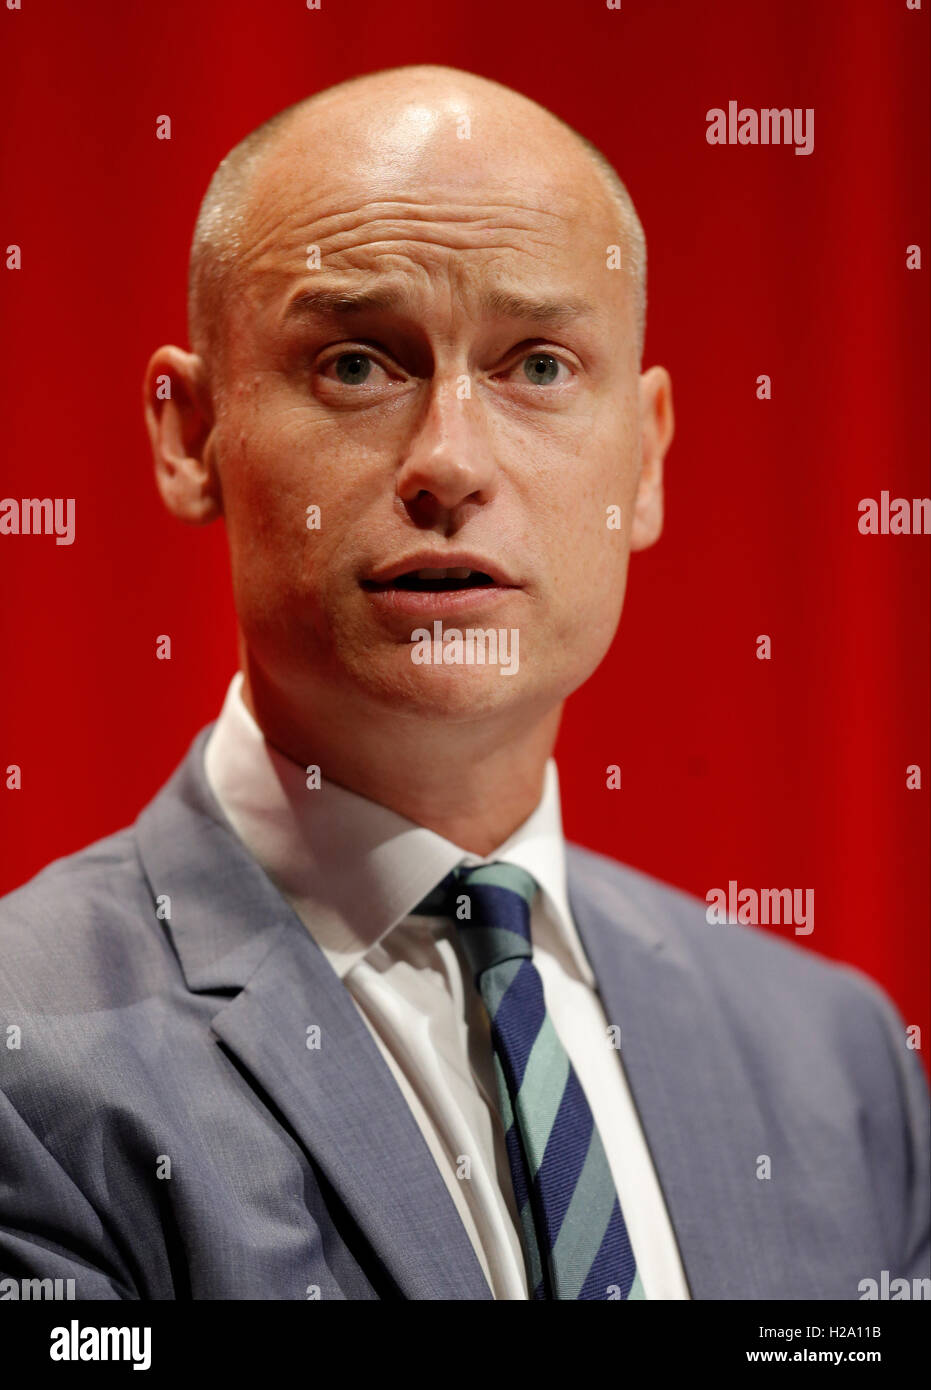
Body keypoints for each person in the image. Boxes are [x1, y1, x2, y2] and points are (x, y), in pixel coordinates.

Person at [0, 64, 927, 1302]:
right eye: (354, 364)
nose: (448, 458)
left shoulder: (841, 1062)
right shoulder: (29, 1055)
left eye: (537, 367)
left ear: (643, 461)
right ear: (189, 435)